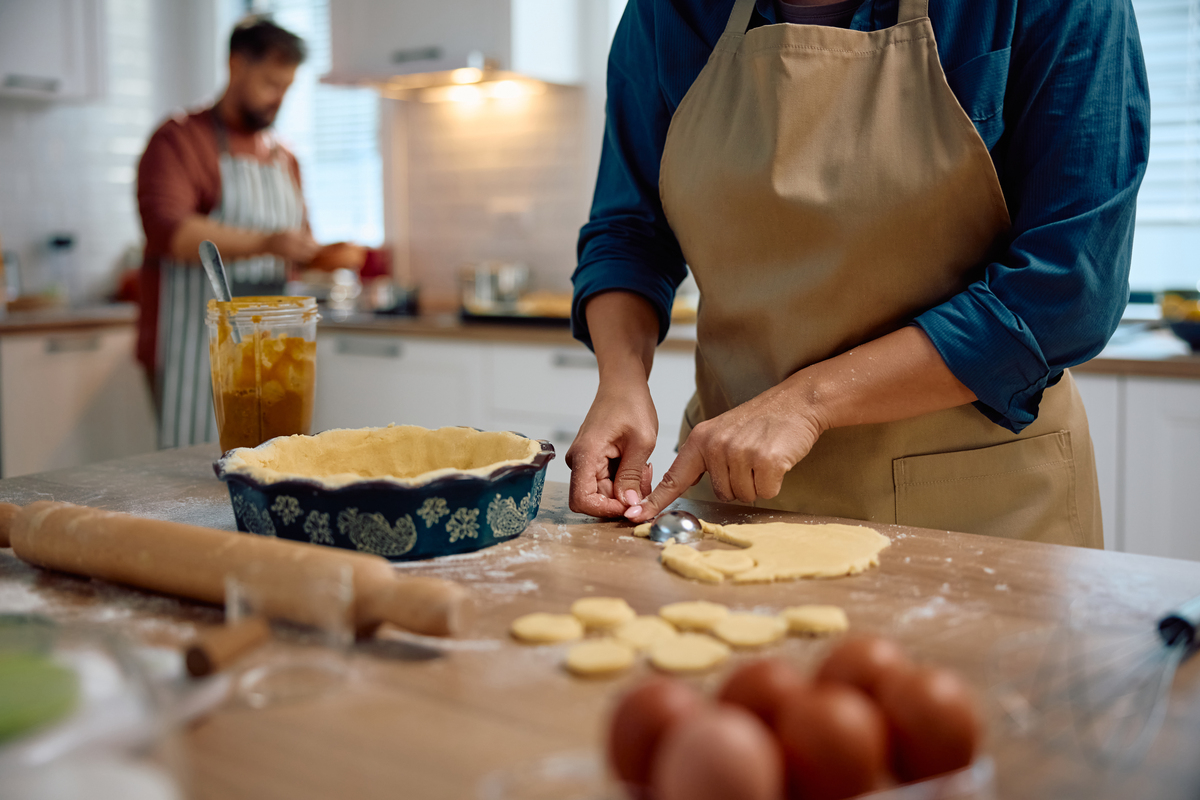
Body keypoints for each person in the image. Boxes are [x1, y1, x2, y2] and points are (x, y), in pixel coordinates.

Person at [567, 0, 1149, 547]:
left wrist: (807, 403)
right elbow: (629, 233)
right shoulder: (668, 12)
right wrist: (621, 381)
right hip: (733, 496)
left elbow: (1067, 288)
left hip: (983, 506)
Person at [136, 16, 318, 448]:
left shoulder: (284, 157)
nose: (279, 99)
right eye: (271, 84)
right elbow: (174, 234)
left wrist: (325, 253)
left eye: (287, 88)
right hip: (191, 352)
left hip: (270, 354)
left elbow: (301, 240)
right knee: (194, 476)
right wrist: (268, 242)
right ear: (236, 65)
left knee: (273, 464)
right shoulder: (178, 140)